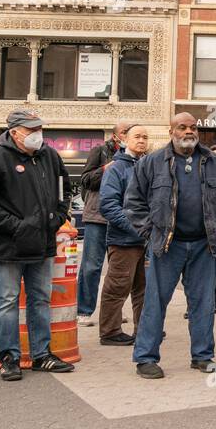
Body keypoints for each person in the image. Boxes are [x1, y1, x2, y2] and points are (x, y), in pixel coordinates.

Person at [0, 109, 75, 382]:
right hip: (8, 246)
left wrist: (58, 216)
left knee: (41, 299)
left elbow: (65, 188)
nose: (38, 134)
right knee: (7, 301)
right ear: (14, 132)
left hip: (42, 243)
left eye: (39, 129)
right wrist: (14, 226)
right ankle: (9, 357)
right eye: (31, 129)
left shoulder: (50, 156)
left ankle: (41, 354)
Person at [125, 112, 216, 379]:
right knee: (155, 302)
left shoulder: (215, 163)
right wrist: (151, 232)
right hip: (167, 246)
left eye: (193, 127)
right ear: (171, 131)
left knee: (203, 304)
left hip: (204, 246)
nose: (189, 131)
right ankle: (146, 358)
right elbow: (133, 203)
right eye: (182, 127)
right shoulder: (152, 162)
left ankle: (202, 356)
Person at [96, 124, 150, 346]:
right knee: (117, 287)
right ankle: (110, 331)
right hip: (124, 240)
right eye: (137, 136)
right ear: (125, 140)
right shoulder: (116, 168)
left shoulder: (148, 166)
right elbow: (108, 205)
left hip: (147, 241)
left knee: (144, 290)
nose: (142, 140)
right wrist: (136, 228)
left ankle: (144, 329)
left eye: (145, 137)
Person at [75, 122, 132, 327]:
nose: (128, 135)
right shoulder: (99, 151)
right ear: (115, 135)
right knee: (91, 266)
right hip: (97, 217)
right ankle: (84, 310)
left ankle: (113, 312)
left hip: (122, 219)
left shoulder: (136, 157)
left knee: (119, 269)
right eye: (124, 132)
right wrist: (106, 169)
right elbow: (86, 180)